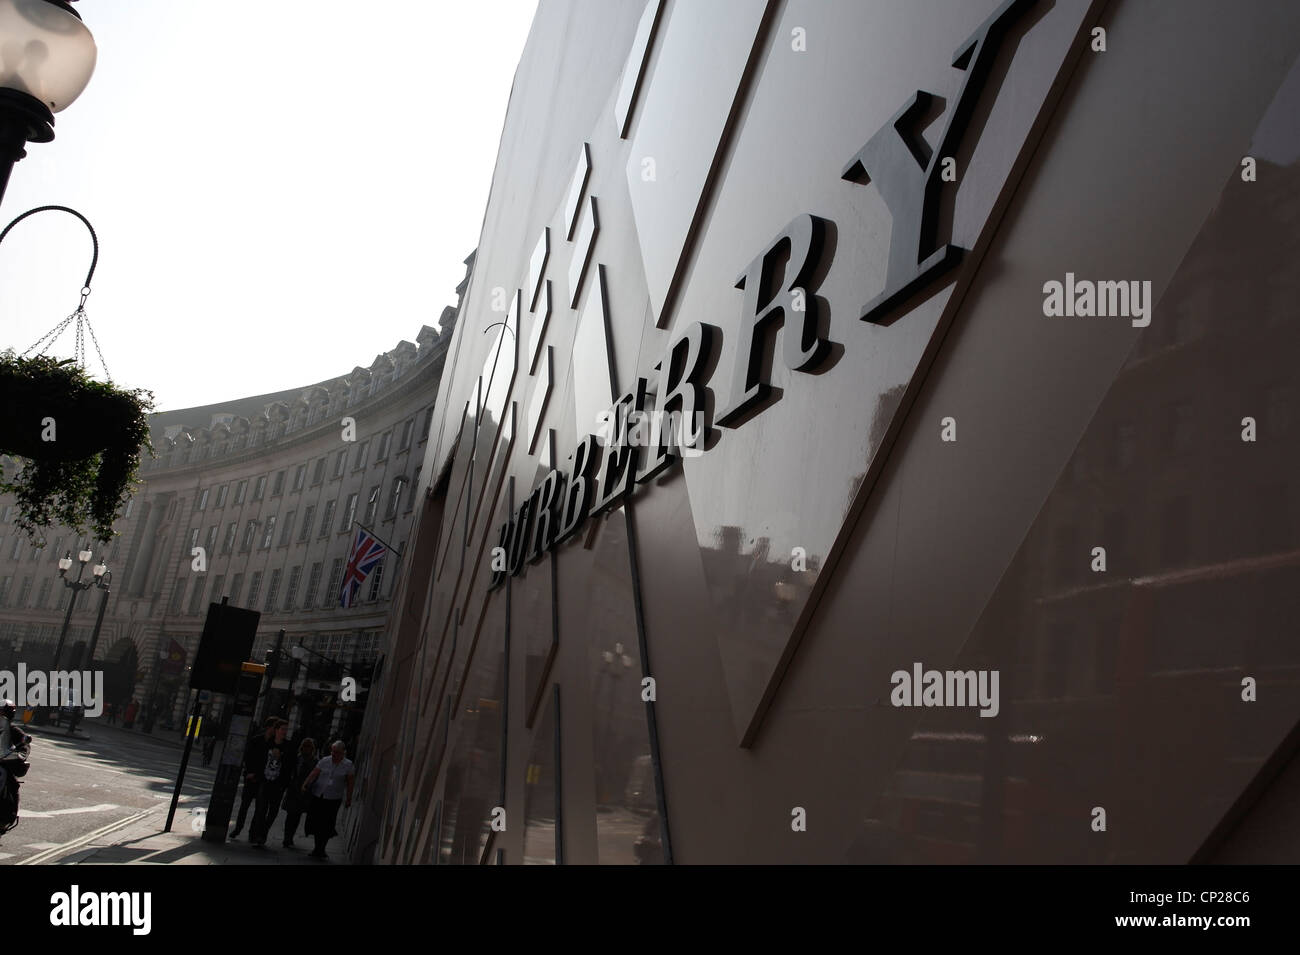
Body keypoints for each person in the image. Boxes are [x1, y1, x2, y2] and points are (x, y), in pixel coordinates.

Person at [302, 740, 354, 860]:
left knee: (327, 824)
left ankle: (322, 848)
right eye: (332, 751)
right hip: (319, 795)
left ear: (343, 753)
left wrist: (349, 798)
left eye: (336, 752)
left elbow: (350, 783)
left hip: (333, 799)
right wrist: (305, 784)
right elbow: (314, 773)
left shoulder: (348, 765)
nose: (333, 754)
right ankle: (317, 848)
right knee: (316, 821)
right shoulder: (325, 760)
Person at [229, 717, 278, 840]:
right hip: (251, 777)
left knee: (259, 809)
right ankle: (238, 828)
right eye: (274, 727)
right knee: (244, 806)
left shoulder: (274, 744)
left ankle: (252, 832)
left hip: (263, 779)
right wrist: (249, 772)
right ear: (268, 727)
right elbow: (248, 757)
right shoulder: (256, 740)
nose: (275, 730)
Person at [249, 720, 292, 848]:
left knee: (273, 811)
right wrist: (255, 775)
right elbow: (260, 760)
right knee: (261, 810)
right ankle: (259, 835)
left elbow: (289, 766)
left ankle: (263, 832)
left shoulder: (288, 746)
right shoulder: (268, 744)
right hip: (265, 781)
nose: (284, 732)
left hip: (278, 785)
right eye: (283, 729)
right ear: (277, 730)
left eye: (286, 729)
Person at [280, 737, 316, 848]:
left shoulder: (314, 761)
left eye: (308, 746)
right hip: (294, 789)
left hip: (304, 791)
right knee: (291, 815)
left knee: (296, 816)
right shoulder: (297, 759)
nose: (306, 749)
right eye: (305, 746)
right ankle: (287, 838)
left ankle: (289, 837)